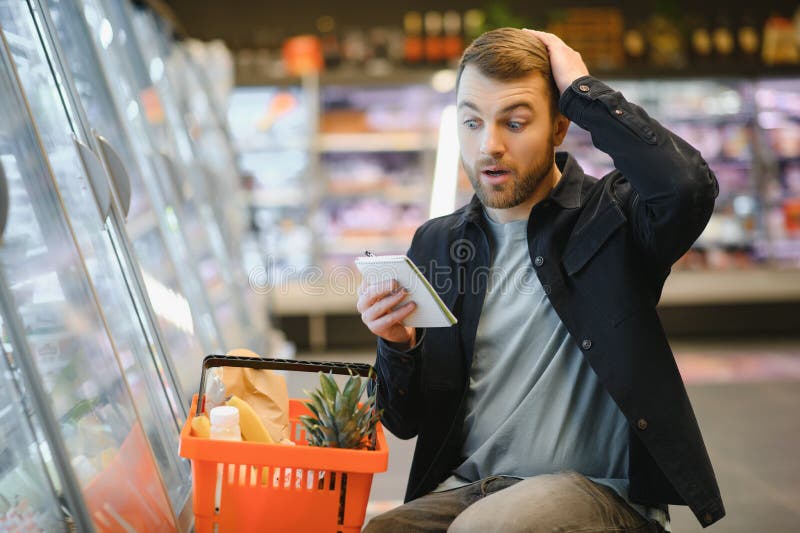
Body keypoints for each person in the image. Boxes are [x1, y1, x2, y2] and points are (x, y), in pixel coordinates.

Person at [357, 27, 724, 532]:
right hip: (471, 488)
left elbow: (685, 188)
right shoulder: (436, 244)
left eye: (514, 121)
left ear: (558, 127)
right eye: (471, 121)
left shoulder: (613, 216)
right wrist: (396, 345)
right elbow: (405, 421)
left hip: (600, 496)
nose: (489, 146)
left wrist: (583, 91)